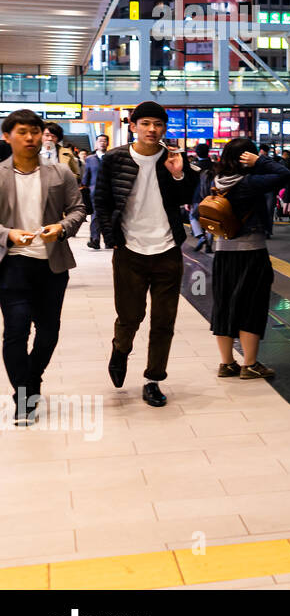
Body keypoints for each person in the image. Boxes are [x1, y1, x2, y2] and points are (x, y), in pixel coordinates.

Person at [95, 101, 199, 408]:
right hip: (129, 250)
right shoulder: (115, 159)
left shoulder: (173, 158)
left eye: (158, 124)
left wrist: (179, 175)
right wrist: (111, 238)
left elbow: (186, 198)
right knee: (129, 316)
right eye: (146, 124)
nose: (152, 130)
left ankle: (154, 379)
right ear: (133, 126)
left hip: (167, 249)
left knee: (164, 320)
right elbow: (100, 200)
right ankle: (120, 349)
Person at [0, 109, 86, 425]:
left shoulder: (60, 173)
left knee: (48, 333)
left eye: (35, 131)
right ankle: (24, 397)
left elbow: (78, 210)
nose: (30, 137)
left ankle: (31, 380)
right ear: (7, 136)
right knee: (15, 331)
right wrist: (8, 233)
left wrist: (61, 228)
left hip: (51, 266)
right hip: (12, 265)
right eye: (22, 131)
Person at [207, 139, 290, 381]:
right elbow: (284, 174)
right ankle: (250, 364)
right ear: (246, 157)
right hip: (251, 252)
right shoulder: (249, 183)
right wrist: (261, 161)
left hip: (222, 252)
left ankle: (226, 363)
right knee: (251, 305)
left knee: (223, 305)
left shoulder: (213, 181)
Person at [82, 133, 110, 250]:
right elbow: (86, 176)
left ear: (107, 143)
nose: (102, 143)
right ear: (96, 143)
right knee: (95, 216)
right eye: (100, 141)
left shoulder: (111, 157)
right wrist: (84, 188)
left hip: (109, 192)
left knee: (109, 216)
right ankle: (95, 240)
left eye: (104, 141)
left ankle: (109, 240)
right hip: (94, 192)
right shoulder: (90, 159)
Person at [189, 142, 214, 254]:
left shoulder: (194, 166)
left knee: (193, 217)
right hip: (212, 197)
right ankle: (209, 244)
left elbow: (191, 184)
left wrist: (188, 200)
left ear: (196, 153)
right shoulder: (214, 166)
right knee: (210, 220)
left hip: (197, 196)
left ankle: (201, 236)